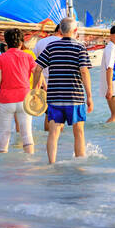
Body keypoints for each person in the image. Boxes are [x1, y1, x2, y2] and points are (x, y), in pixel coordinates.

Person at [36, 17, 92, 163]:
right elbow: (84, 72)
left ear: (60, 30)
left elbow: (37, 69)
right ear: (75, 31)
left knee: (53, 133)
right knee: (78, 133)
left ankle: (52, 163)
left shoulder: (51, 47)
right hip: (75, 97)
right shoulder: (80, 47)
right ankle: (80, 165)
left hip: (54, 97)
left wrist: (36, 88)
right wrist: (89, 96)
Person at [0, 28, 37, 153]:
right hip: (24, 98)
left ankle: (3, 166)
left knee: (4, 133)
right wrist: (35, 91)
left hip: (5, 100)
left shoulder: (1, 58)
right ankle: (29, 162)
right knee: (27, 133)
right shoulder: (28, 56)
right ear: (21, 43)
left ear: (6, 42)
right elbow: (38, 73)